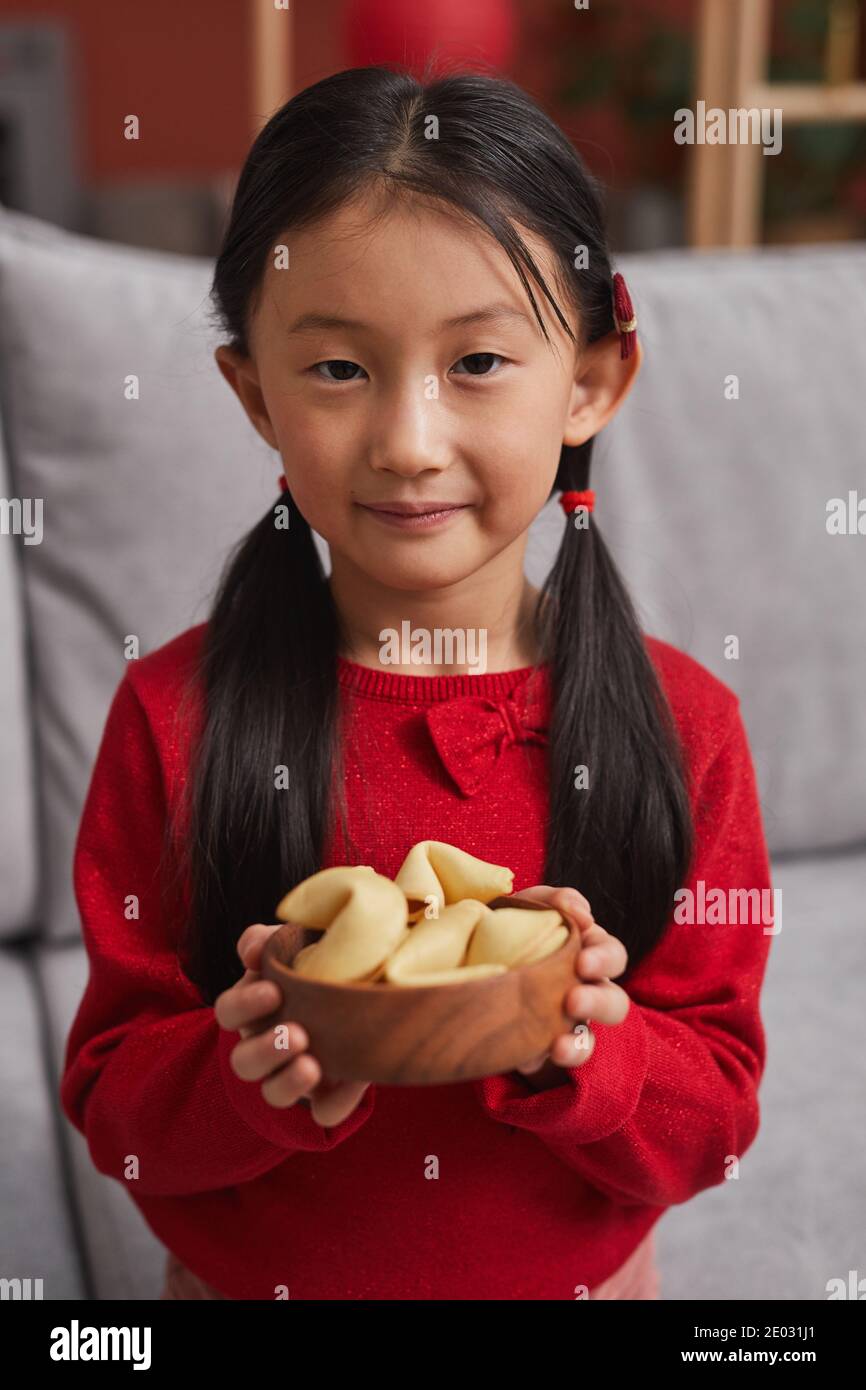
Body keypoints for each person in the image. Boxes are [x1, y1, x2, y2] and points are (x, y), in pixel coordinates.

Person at [60, 64, 774, 1301]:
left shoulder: (685, 728)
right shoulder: (174, 720)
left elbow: (711, 1120)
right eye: (338, 370)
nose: (406, 439)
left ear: (593, 381)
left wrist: (587, 1046)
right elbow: (116, 1111)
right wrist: (245, 1067)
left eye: (480, 360)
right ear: (255, 397)